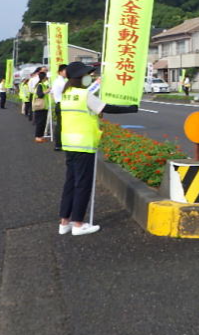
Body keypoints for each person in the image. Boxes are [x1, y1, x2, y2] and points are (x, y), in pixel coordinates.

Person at [58, 61, 138, 236]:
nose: (89, 77)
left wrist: (96, 85)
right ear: (80, 77)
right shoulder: (83, 95)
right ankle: (78, 224)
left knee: (70, 182)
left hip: (69, 144)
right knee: (83, 184)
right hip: (84, 144)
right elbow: (106, 108)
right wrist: (132, 108)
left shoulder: (67, 94)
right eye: (87, 75)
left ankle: (64, 223)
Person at [50, 64, 67, 151]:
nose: (67, 72)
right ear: (60, 72)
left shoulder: (56, 81)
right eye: (65, 71)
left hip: (58, 104)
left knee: (59, 125)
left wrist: (56, 101)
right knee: (61, 125)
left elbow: (52, 93)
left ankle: (58, 144)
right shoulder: (62, 82)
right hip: (62, 104)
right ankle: (59, 144)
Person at [33, 71, 51, 142]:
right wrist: (47, 91)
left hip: (44, 106)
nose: (47, 78)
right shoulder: (40, 85)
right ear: (44, 77)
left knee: (43, 122)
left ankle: (41, 136)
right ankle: (37, 137)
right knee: (40, 123)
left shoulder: (43, 85)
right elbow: (39, 95)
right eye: (46, 76)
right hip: (40, 107)